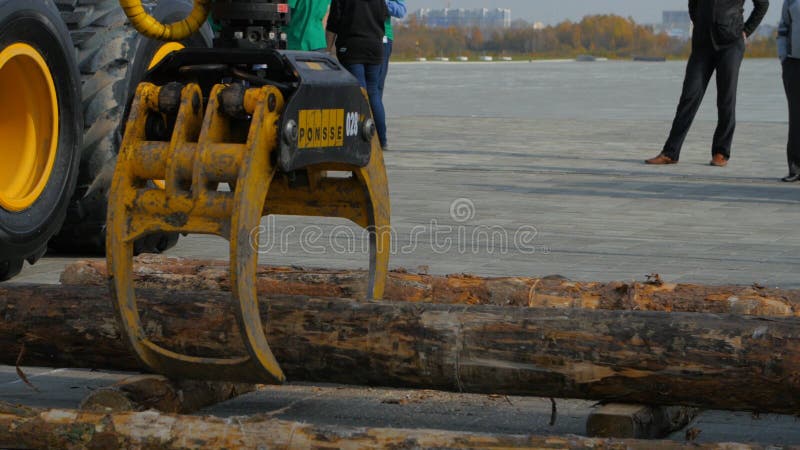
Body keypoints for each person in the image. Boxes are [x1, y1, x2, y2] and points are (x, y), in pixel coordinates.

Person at [645, 0, 769, 167]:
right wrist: (701, 24)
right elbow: (692, 4)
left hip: (730, 44)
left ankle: (721, 152)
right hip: (702, 45)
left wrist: (746, 31)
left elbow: (762, 4)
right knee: (689, 97)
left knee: (726, 99)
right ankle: (670, 152)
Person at [326, 0, 389, 149]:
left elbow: (333, 23)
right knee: (373, 92)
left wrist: (327, 51)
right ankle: (382, 139)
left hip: (352, 46)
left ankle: (359, 138)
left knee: (358, 92)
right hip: (375, 46)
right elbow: (385, 16)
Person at [376, 0, 406, 150]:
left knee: (376, 88)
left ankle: (379, 137)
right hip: (358, 36)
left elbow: (401, 11)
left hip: (383, 38)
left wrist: (384, 3)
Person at [778, 0, 800, 182]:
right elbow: (783, 28)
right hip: (794, 64)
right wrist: (784, 58)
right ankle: (796, 168)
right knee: (796, 117)